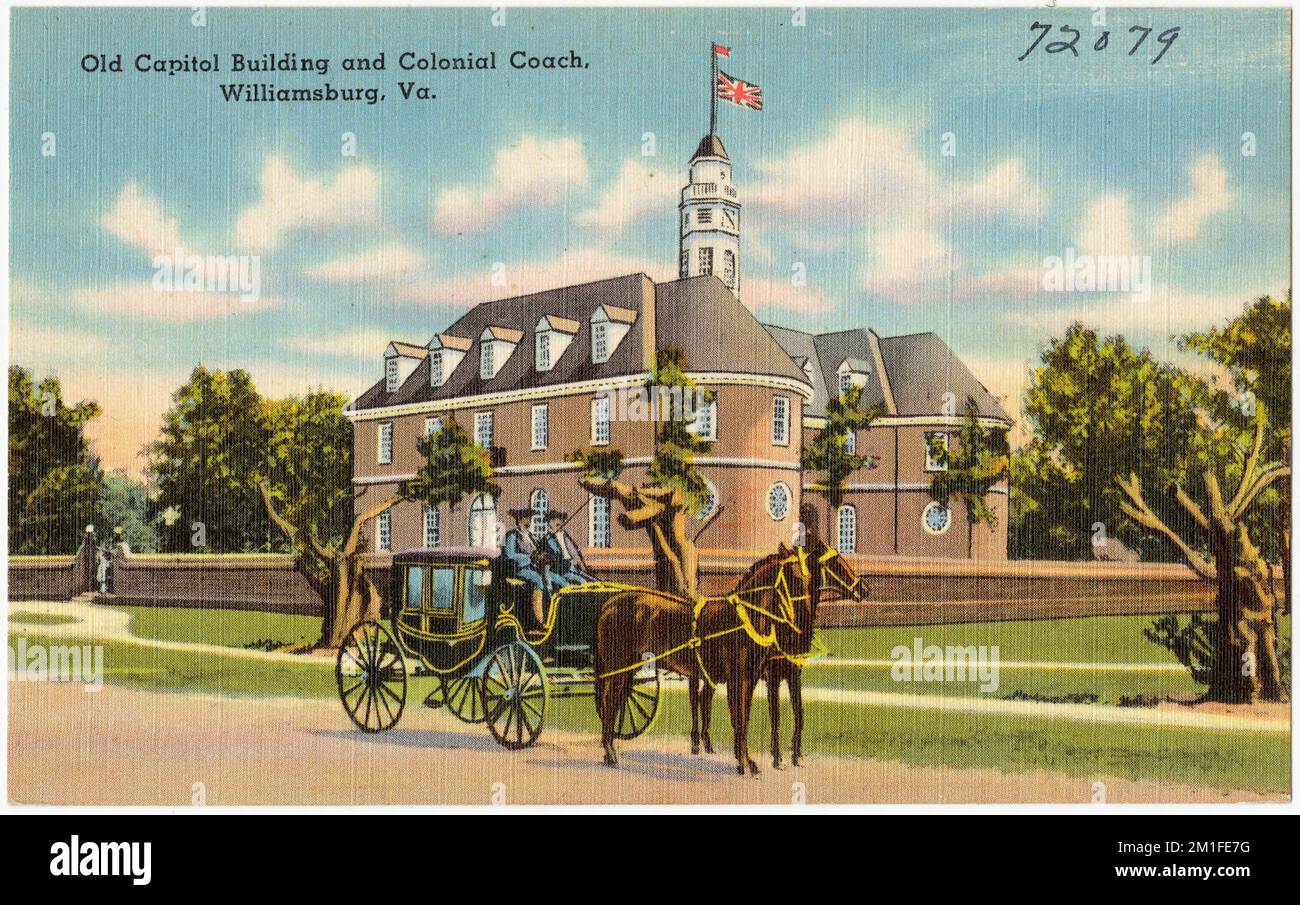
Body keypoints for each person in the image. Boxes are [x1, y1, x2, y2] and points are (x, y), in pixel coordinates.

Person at [501, 508, 557, 595]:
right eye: (528, 518)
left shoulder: (530, 536)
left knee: (550, 577)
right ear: (520, 519)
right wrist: (530, 557)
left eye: (530, 518)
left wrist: (543, 555)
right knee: (537, 578)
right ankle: (539, 605)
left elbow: (537, 550)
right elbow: (510, 555)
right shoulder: (512, 535)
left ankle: (549, 598)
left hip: (535, 566)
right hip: (518, 568)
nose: (530, 521)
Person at [542, 509, 596, 586]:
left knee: (592, 580)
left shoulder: (565, 536)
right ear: (550, 523)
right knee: (583, 581)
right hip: (561, 569)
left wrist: (579, 561)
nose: (561, 523)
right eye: (557, 524)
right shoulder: (547, 540)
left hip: (573, 567)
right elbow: (553, 559)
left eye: (562, 521)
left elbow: (573, 551)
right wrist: (571, 563)